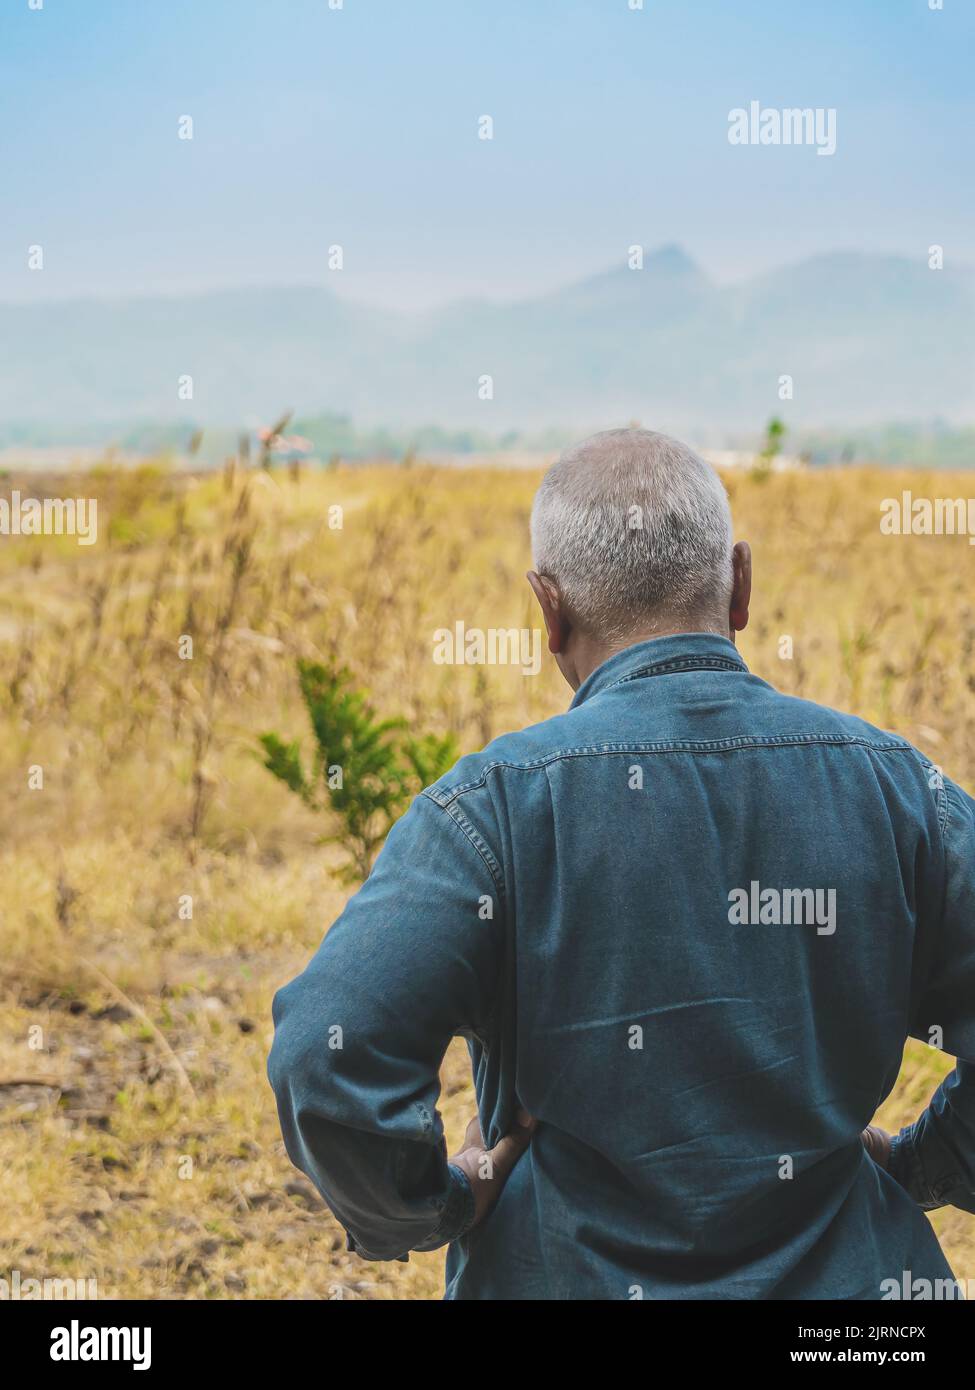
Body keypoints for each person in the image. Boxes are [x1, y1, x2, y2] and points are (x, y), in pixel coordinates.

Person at [268, 428, 975, 1299]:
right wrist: (929, 1163)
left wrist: (436, 1205)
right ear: (740, 584)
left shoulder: (493, 809)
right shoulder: (899, 791)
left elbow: (324, 1051)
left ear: (548, 610)